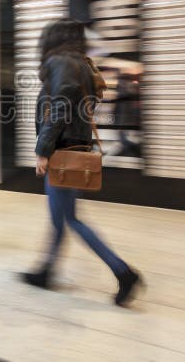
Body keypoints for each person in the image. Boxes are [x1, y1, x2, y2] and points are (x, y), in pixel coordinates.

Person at [22, 19, 142, 307]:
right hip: (75, 148)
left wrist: (43, 150)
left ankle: (123, 272)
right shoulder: (82, 64)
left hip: (62, 152)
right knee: (60, 215)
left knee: (69, 218)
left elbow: (61, 108)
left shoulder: (60, 62)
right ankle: (46, 270)